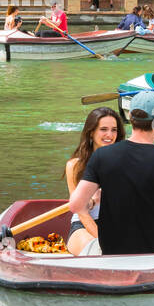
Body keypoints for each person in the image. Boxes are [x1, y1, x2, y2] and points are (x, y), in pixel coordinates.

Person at [66, 91, 154, 255]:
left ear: (131, 119)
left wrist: (92, 202)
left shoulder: (101, 157)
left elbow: (76, 205)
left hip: (113, 253)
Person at [64, 107, 125, 255]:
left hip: (118, 226)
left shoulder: (125, 163)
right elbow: (82, 212)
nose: (109, 135)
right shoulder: (75, 166)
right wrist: (105, 241)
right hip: (83, 226)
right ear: (91, 132)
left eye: (114, 130)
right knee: (97, 251)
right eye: (103, 129)